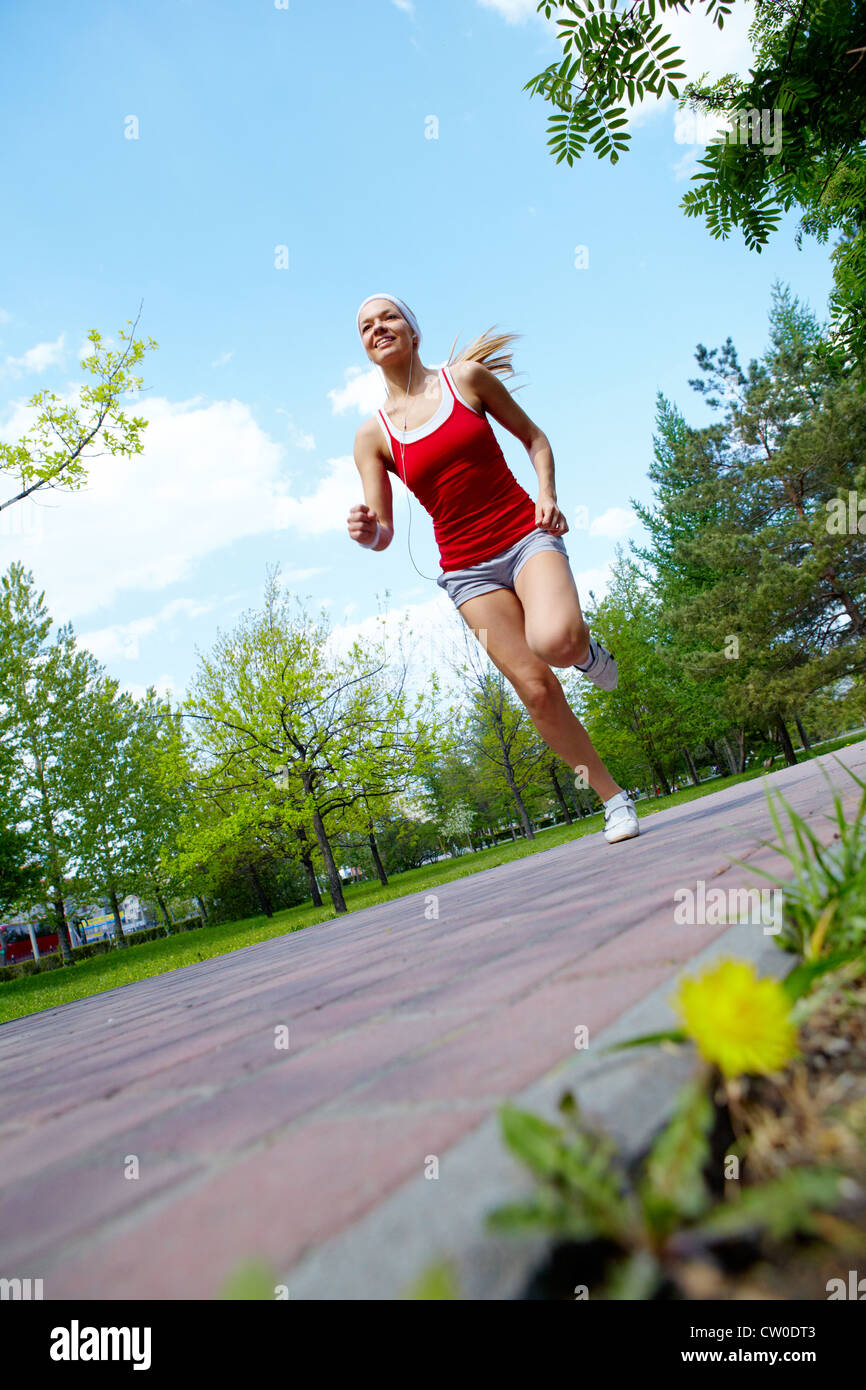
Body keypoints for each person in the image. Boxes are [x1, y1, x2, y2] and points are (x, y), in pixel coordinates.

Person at [346, 294, 639, 845]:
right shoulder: (373, 435)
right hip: (467, 572)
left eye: (388, 318)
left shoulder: (467, 380)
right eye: (366, 326)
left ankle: (586, 654)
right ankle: (614, 799)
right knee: (535, 690)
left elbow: (536, 439)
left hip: (525, 536)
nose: (378, 328)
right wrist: (369, 533)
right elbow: (383, 532)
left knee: (556, 642)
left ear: (412, 330)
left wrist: (547, 496)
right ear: (364, 347)